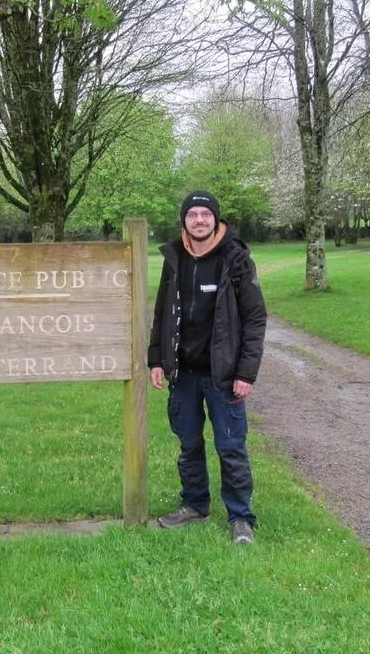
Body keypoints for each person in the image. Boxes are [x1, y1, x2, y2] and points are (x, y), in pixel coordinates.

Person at [148, 190, 267, 544]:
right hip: (183, 374)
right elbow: (161, 313)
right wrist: (156, 359)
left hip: (224, 376)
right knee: (188, 444)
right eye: (192, 215)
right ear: (184, 220)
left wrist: (245, 373)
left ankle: (240, 517)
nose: (199, 220)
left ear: (215, 219)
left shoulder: (236, 259)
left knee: (231, 446)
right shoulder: (175, 260)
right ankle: (194, 505)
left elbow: (255, 318)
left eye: (205, 214)